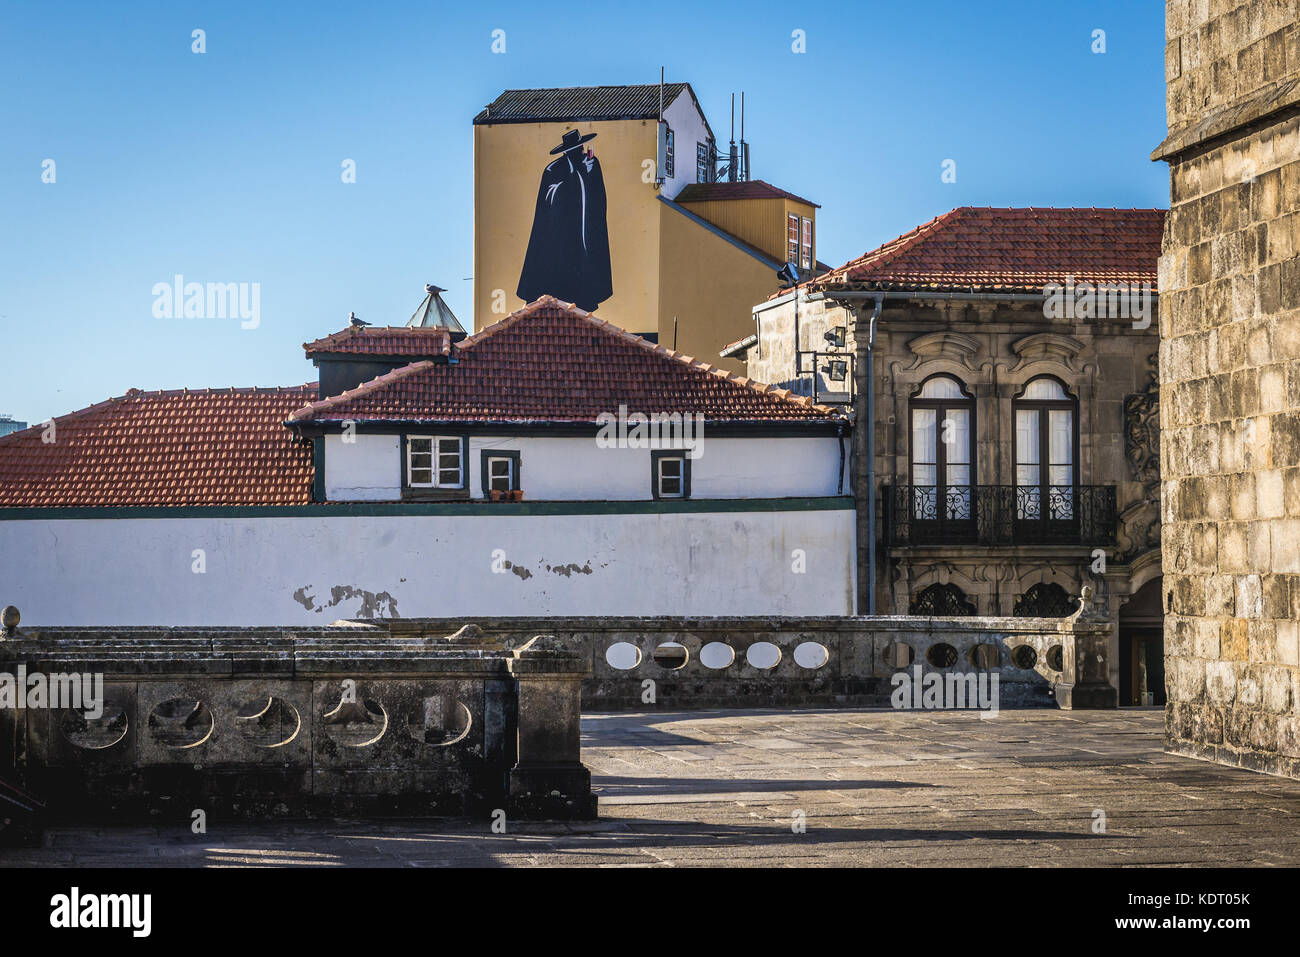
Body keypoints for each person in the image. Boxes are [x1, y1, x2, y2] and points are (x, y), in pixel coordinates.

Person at [516, 128, 613, 311]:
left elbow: (597, 197)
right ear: (567, 152)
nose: (580, 152)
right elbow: (551, 197)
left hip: (583, 229)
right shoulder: (554, 169)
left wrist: (589, 172)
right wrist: (575, 179)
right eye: (576, 150)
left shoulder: (590, 164)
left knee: (583, 263)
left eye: (581, 148)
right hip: (558, 232)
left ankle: (586, 296)